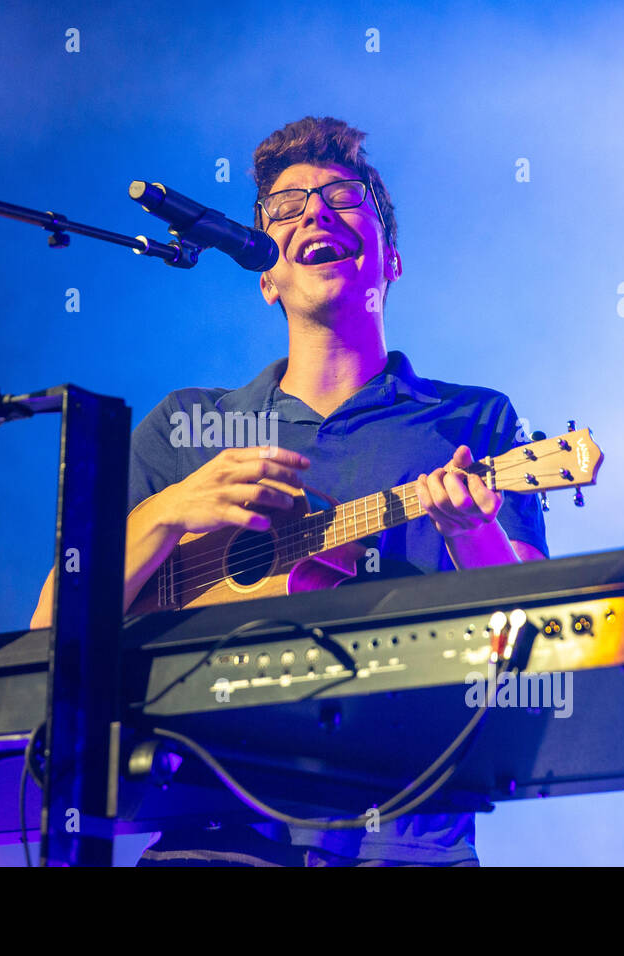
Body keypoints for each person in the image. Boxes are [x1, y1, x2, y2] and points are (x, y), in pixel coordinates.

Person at [30, 116, 548, 866]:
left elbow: (534, 643)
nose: (315, 212)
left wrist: (469, 530)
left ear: (392, 259)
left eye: (344, 196)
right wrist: (168, 512)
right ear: (264, 275)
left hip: (406, 832)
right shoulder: (189, 425)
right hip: (208, 836)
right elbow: (49, 633)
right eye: (286, 206)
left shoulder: (475, 420)